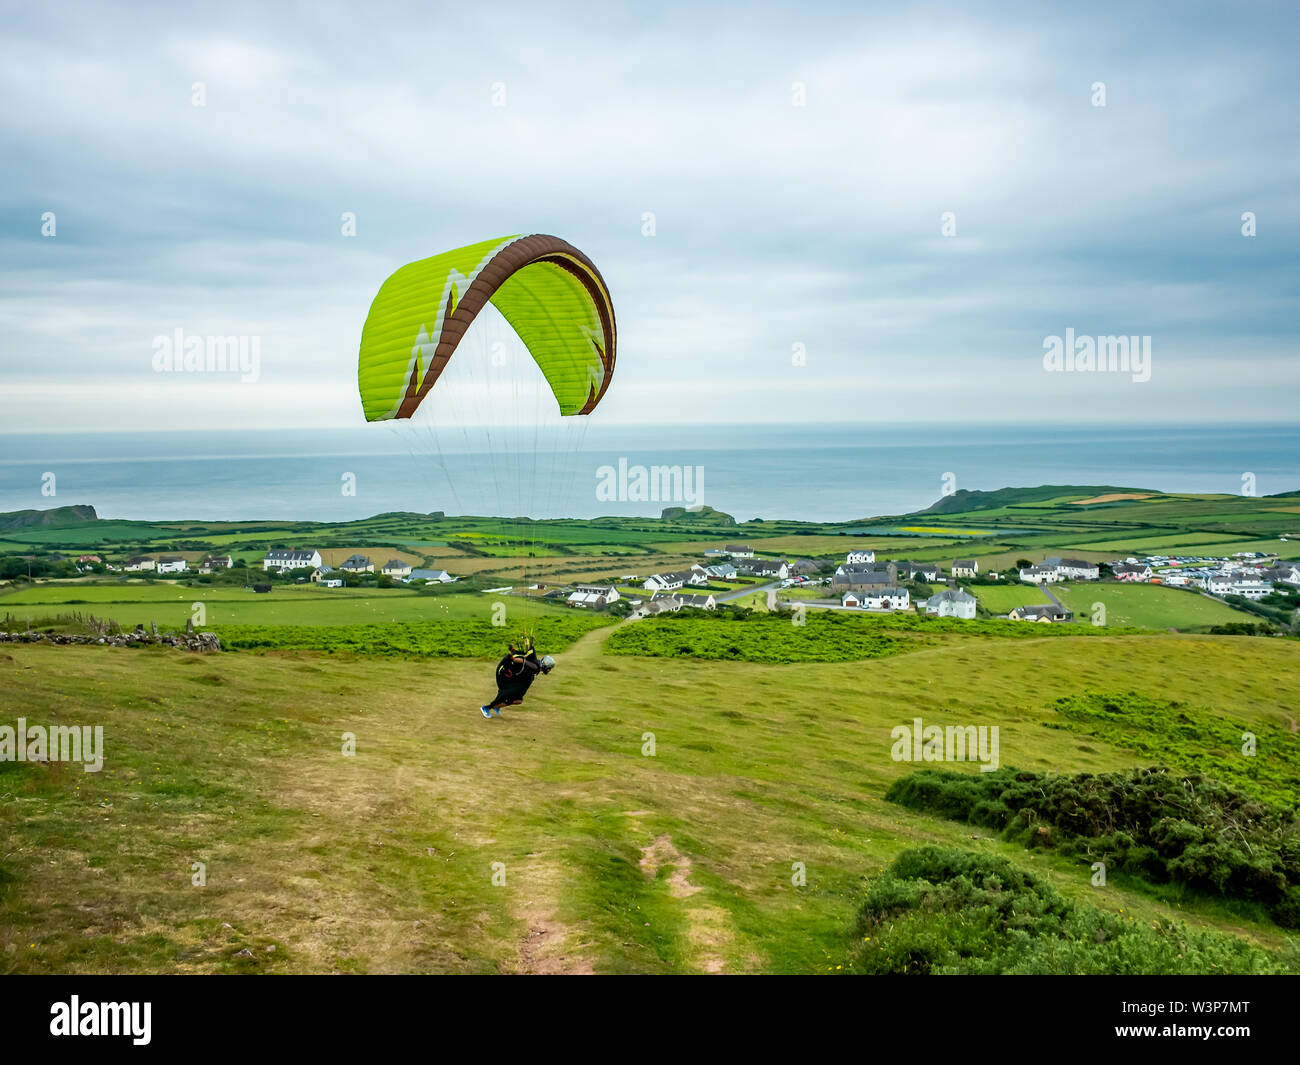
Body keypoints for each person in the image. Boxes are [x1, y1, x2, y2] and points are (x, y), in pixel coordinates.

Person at [481, 636, 553, 718]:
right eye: (549, 668)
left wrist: (527, 641)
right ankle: (486, 708)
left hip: (509, 677)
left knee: (518, 700)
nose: (549, 670)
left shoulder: (535, 662)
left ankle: (497, 706)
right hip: (504, 675)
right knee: (508, 696)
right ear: (546, 666)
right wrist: (512, 659)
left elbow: (529, 650)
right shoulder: (535, 667)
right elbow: (523, 661)